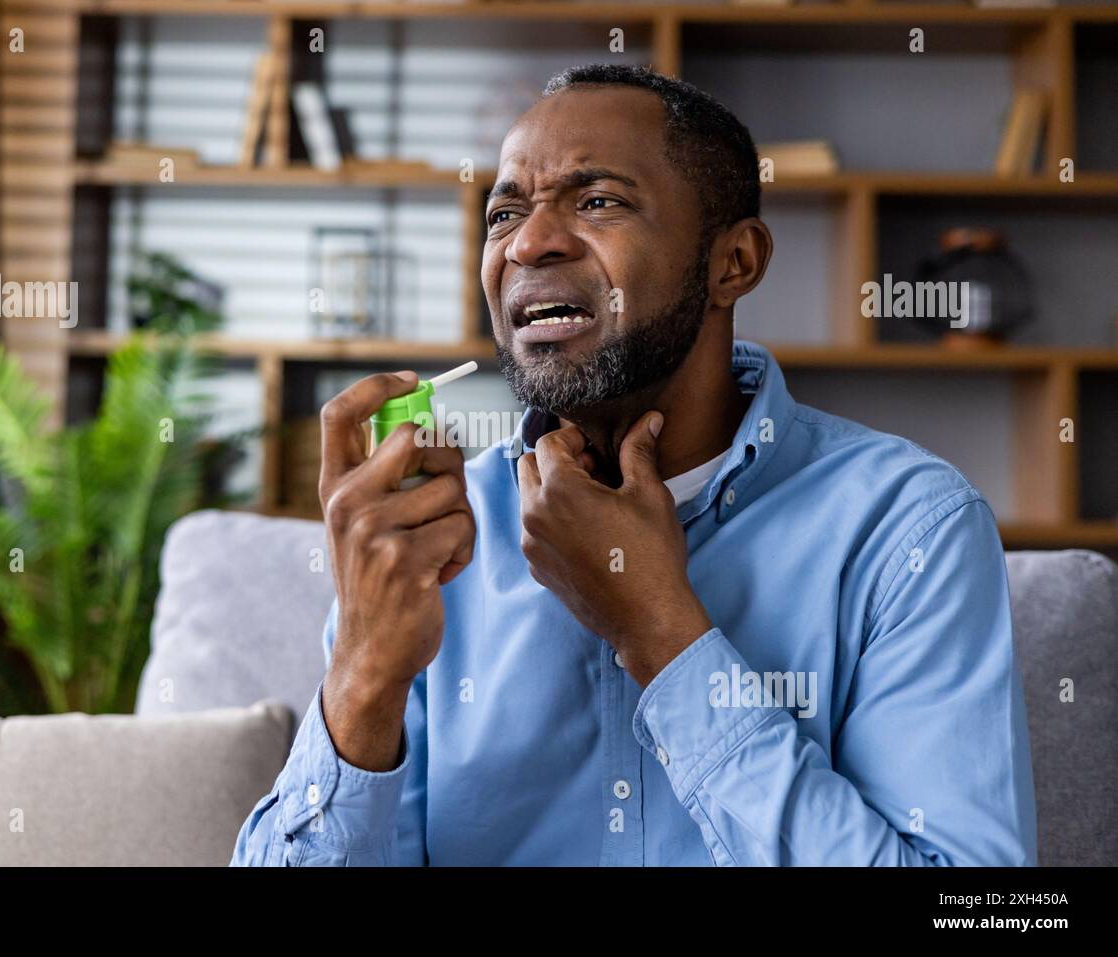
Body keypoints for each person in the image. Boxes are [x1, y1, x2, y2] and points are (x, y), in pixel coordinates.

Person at [230, 64, 1036, 866]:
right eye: (503, 212)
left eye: (598, 201)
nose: (528, 241)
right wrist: (365, 673)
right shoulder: (428, 541)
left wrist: (658, 630)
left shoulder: (908, 530)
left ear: (735, 263)